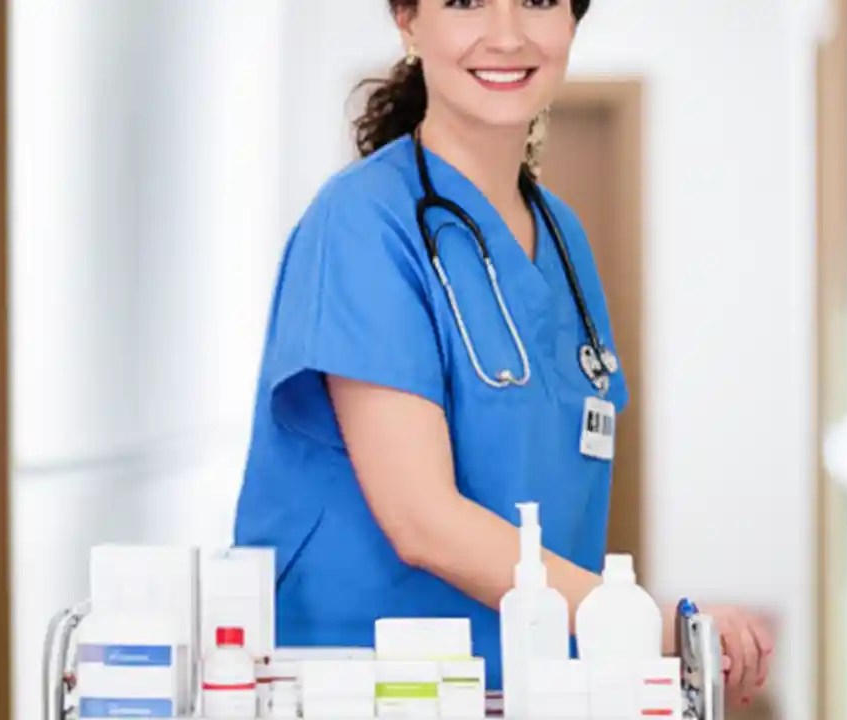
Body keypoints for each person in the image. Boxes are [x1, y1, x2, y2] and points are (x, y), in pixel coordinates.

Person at [234, 0, 773, 708]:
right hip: (364, 690)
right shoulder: (363, 225)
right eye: (464, 3)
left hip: (529, 688)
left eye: (539, 2)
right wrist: (650, 619)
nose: (508, 34)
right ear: (407, 19)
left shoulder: (563, 239)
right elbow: (422, 519)